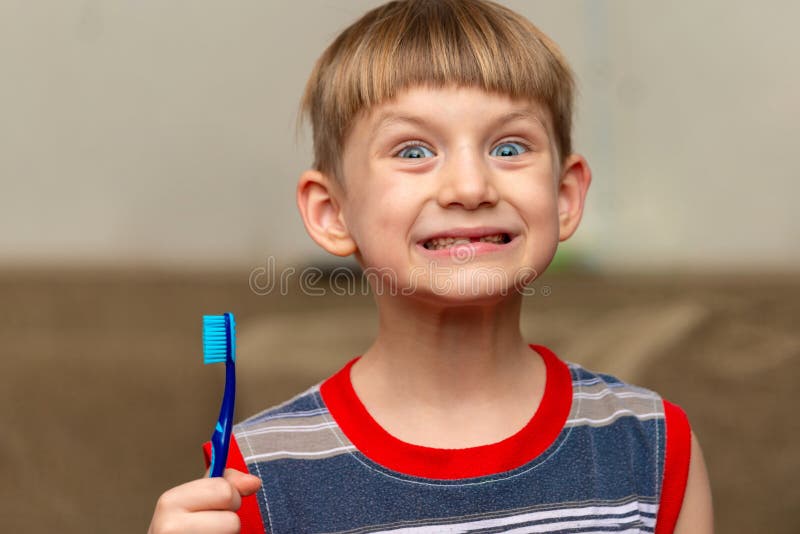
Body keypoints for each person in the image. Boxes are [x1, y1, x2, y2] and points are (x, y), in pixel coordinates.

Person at [148, 1, 714, 532]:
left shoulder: (654, 448)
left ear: (564, 197)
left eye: (510, 147)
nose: (470, 187)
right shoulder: (254, 478)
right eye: (414, 151)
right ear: (332, 213)